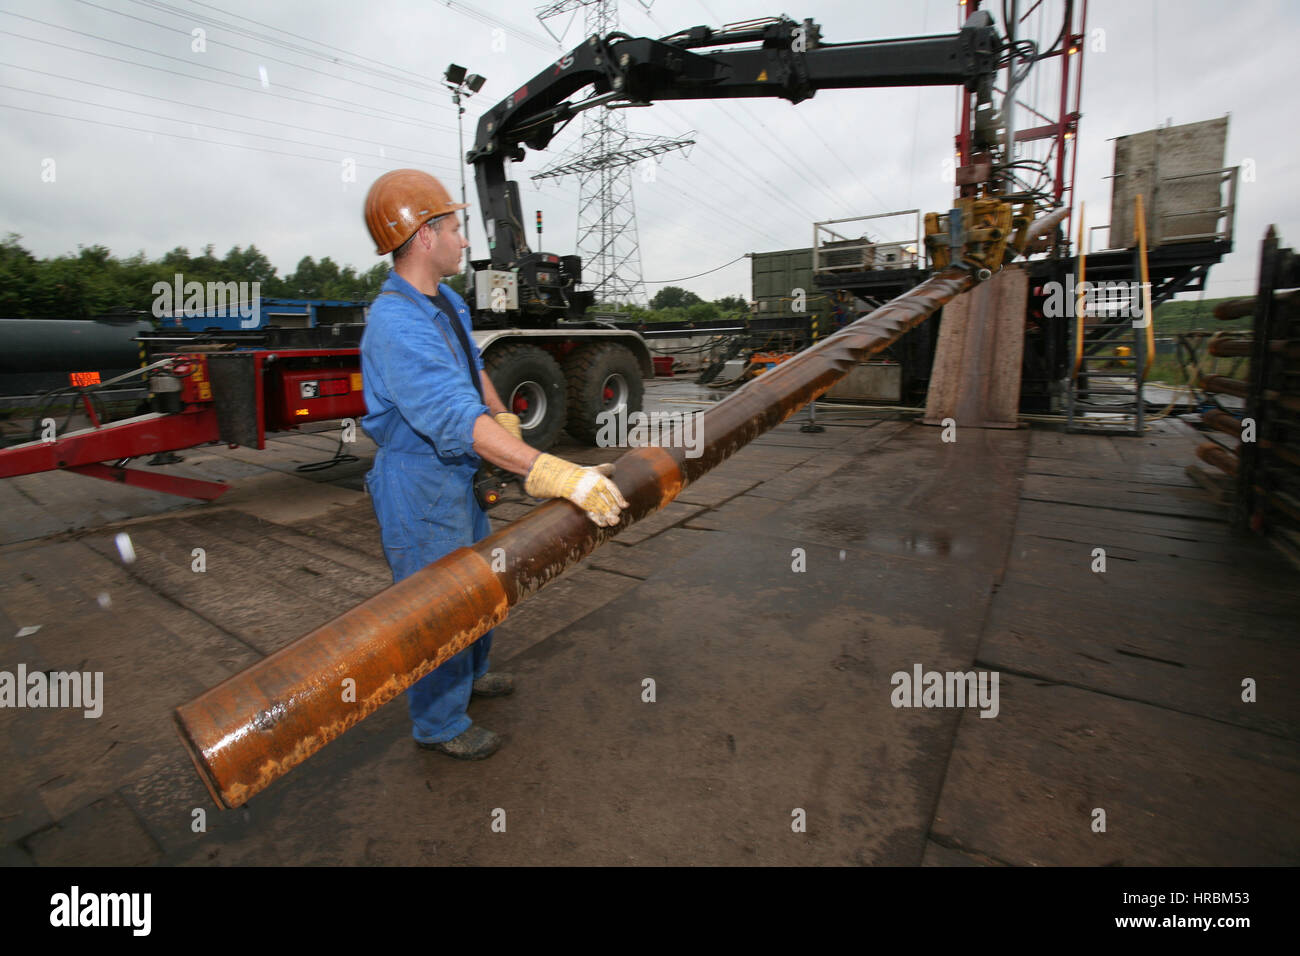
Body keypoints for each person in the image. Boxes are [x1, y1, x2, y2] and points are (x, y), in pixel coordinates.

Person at [360, 169, 629, 760]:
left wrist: (501, 416)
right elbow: (452, 416)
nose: (464, 240)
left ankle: (472, 675)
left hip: (453, 475)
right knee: (438, 611)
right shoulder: (397, 323)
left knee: (480, 586)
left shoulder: (444, 300)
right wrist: (553, 471)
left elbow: (472, 372)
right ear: (425, 236)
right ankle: (437, 724)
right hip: (419, 481)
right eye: (455, 228)